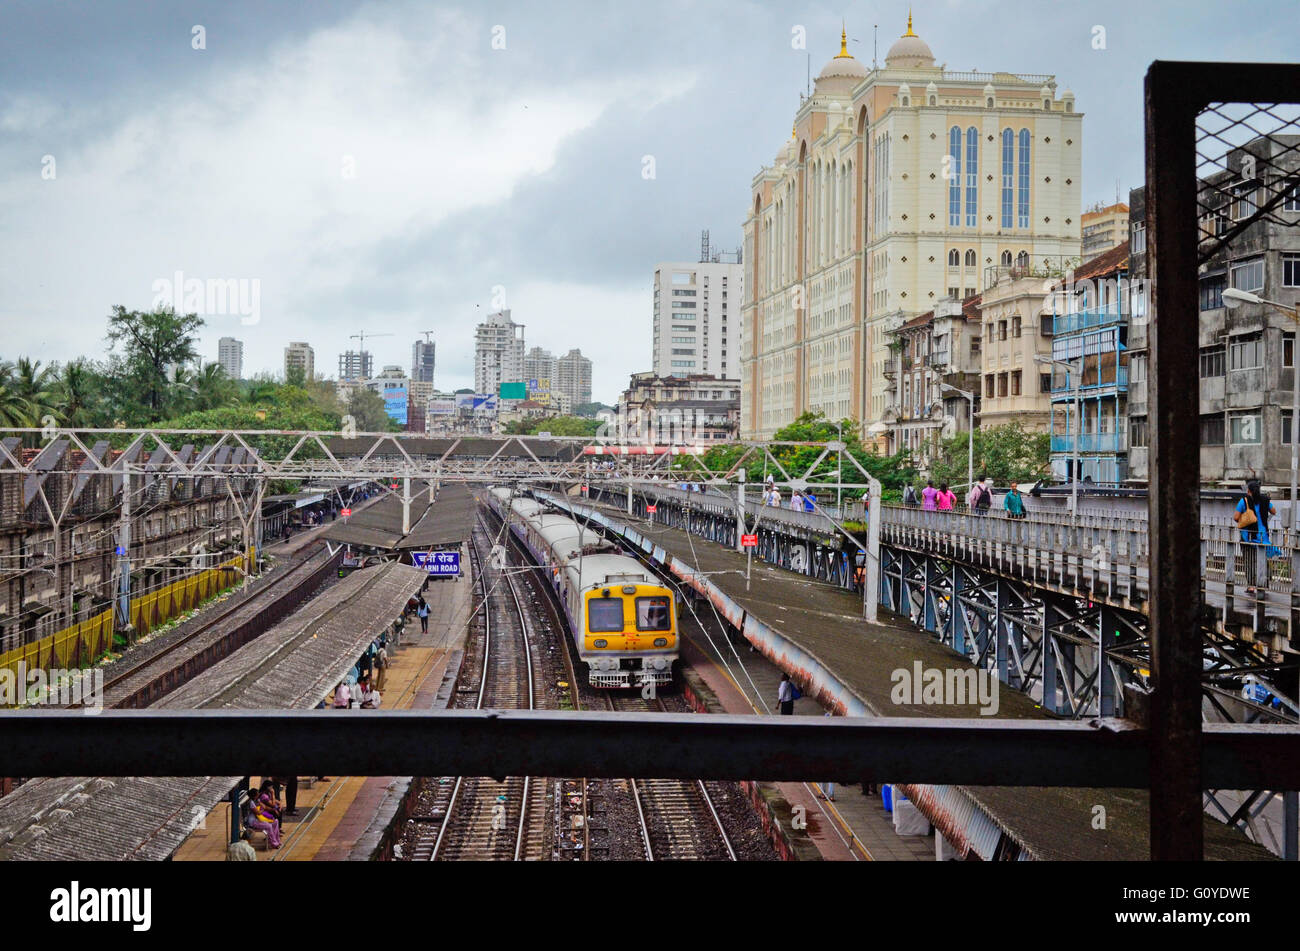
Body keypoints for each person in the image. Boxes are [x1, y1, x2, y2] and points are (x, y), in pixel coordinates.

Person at [1236, 480, 1279, 594]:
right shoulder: (1265, 500)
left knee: (1249, 560)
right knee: (1262, 559)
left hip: (1248, 536)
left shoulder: (1244, 501)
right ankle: (1264, 583)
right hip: (1262, 536)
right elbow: (1274, 511)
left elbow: (1236, 517)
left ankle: (1251, 586)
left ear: (1248, 491)